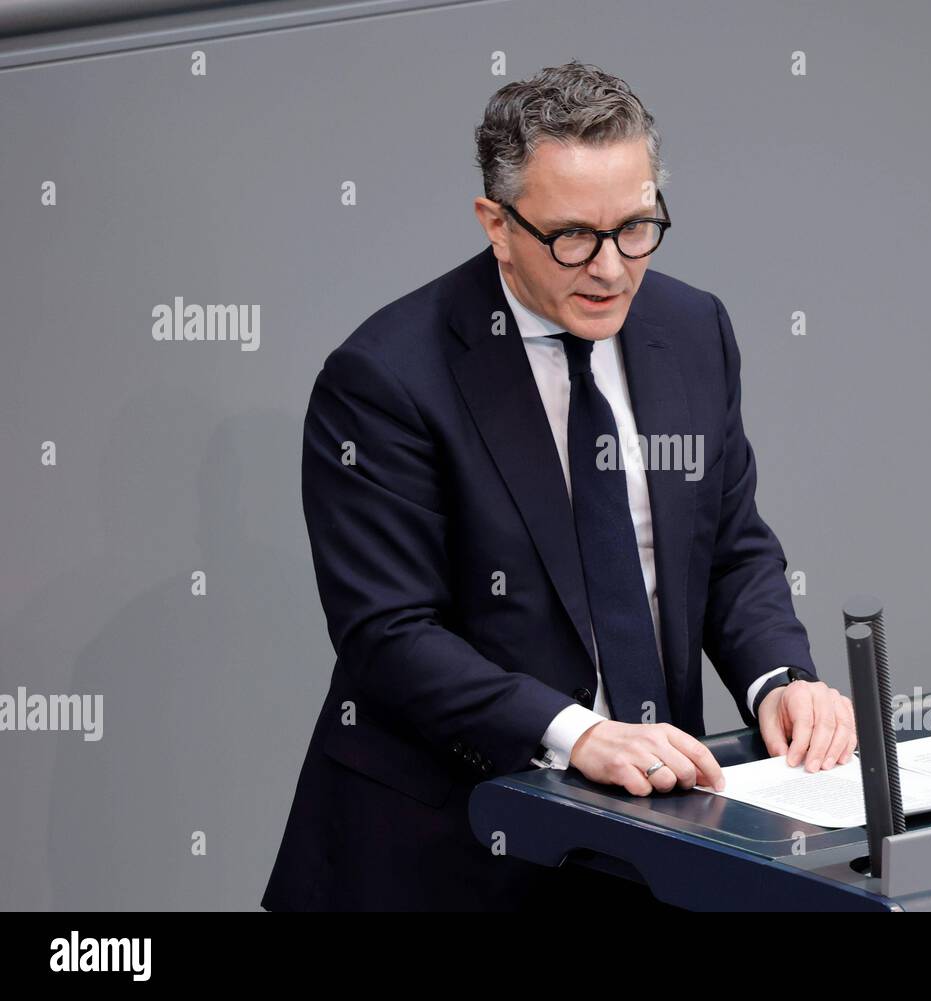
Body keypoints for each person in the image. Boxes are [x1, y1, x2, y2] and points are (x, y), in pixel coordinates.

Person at [262, 60, 857, 911]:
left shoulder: (693, 331)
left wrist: (779, 678)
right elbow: (389, 633)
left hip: (651, 839)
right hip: (448, 856)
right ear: (497, 224)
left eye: (637, 228)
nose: (612, 268)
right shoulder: (386, 378)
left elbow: (727, 548)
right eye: (574, 236)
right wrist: (578, 735)